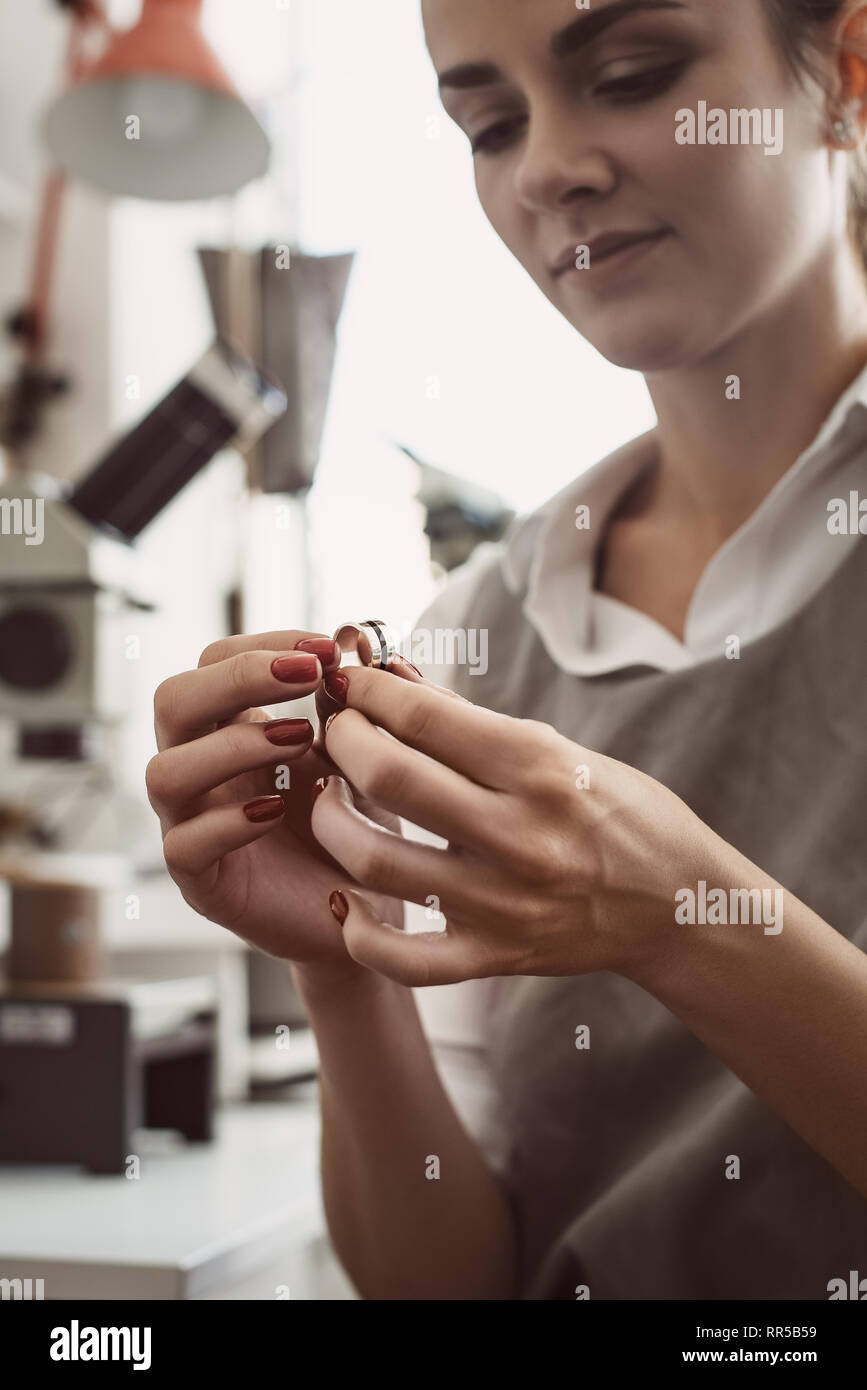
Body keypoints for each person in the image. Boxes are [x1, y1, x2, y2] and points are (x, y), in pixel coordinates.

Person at [146, 0, 867, 1299]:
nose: (545, 167)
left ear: (850, 72)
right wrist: (339, 955)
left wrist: (683, 917)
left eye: (634, 74)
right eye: (488, 122)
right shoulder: (478, 628)